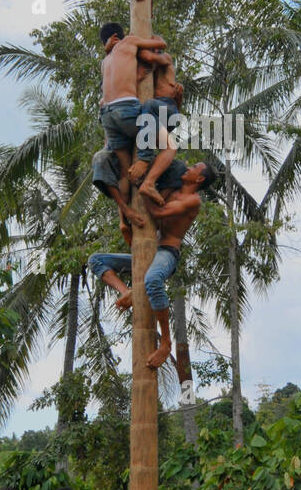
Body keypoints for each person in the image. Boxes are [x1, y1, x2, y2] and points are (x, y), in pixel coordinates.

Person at [88, 159, 216, 370]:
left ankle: (166, 343)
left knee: (154, 279)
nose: (189, 167)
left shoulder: (192, 200)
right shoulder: (171, 187)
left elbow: (157, 214)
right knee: (96, 260)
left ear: (199, 178)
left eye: (194, 168)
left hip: (167, 253)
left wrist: (141, 186)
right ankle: (126, 292)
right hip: (149, 252)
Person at [96, 20, 168, 229]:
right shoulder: (128, 42)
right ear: (119, 36)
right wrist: (155, 40)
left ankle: (123, 219)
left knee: (125, 173)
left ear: (106, 42)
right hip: (124, 108)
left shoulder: (105, 61)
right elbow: (162, 45)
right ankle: (145, 159)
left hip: (107, 116)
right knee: (149, 115)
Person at [127, 47, 184, 203]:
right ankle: (148, 182)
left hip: (167, 110)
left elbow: (147, 56)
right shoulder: (146, 74)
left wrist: (131, 44)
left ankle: (144, 159)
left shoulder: (164, 58)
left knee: (149, 105)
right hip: (157, 114)